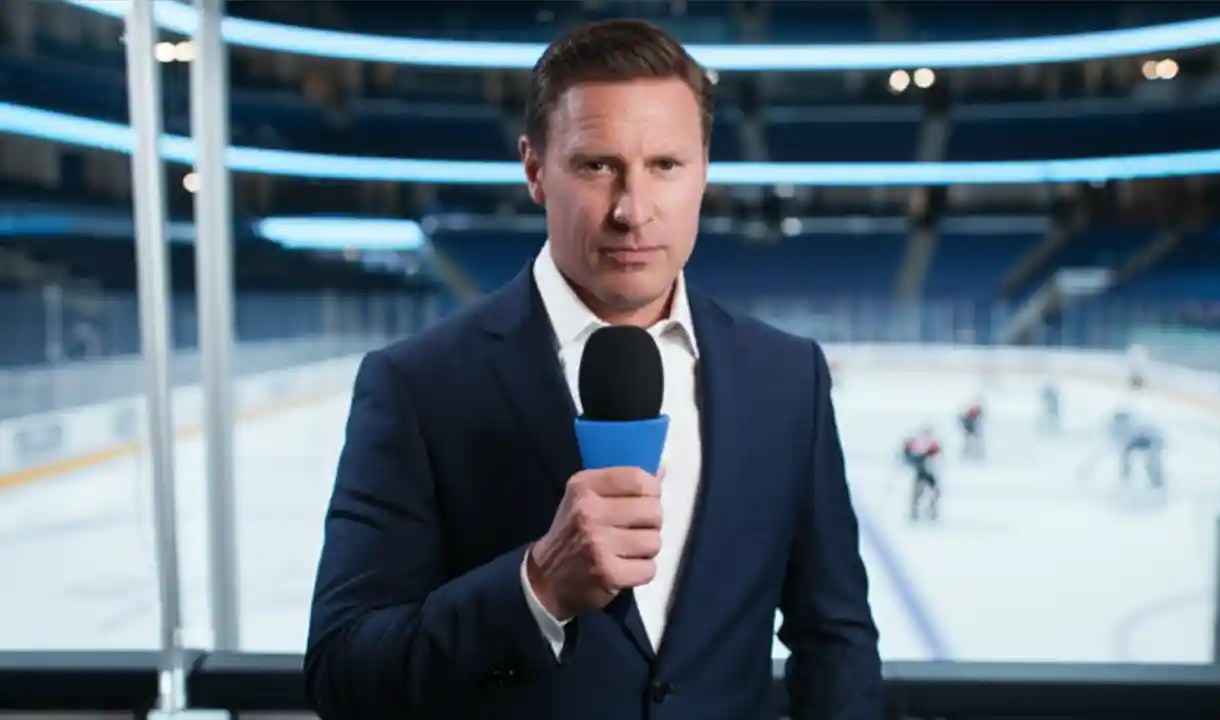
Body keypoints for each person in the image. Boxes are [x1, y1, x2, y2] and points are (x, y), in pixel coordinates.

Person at [303, 19, 883, 720]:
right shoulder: (417, 385)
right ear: (534, 170)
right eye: (595, 165)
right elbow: (343, 675)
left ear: (704, 168)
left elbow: (836, 638)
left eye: (665, 166)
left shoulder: (787, 377)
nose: (632, 211)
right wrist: (535, 587)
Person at [902, 426, 942, 522]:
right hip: (922, 473)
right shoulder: (916, 444)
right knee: (919, 492)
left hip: (928, 472)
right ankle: (916, 511)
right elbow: (908, 455)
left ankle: (931, 511)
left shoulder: (932, 444)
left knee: (931, 492)